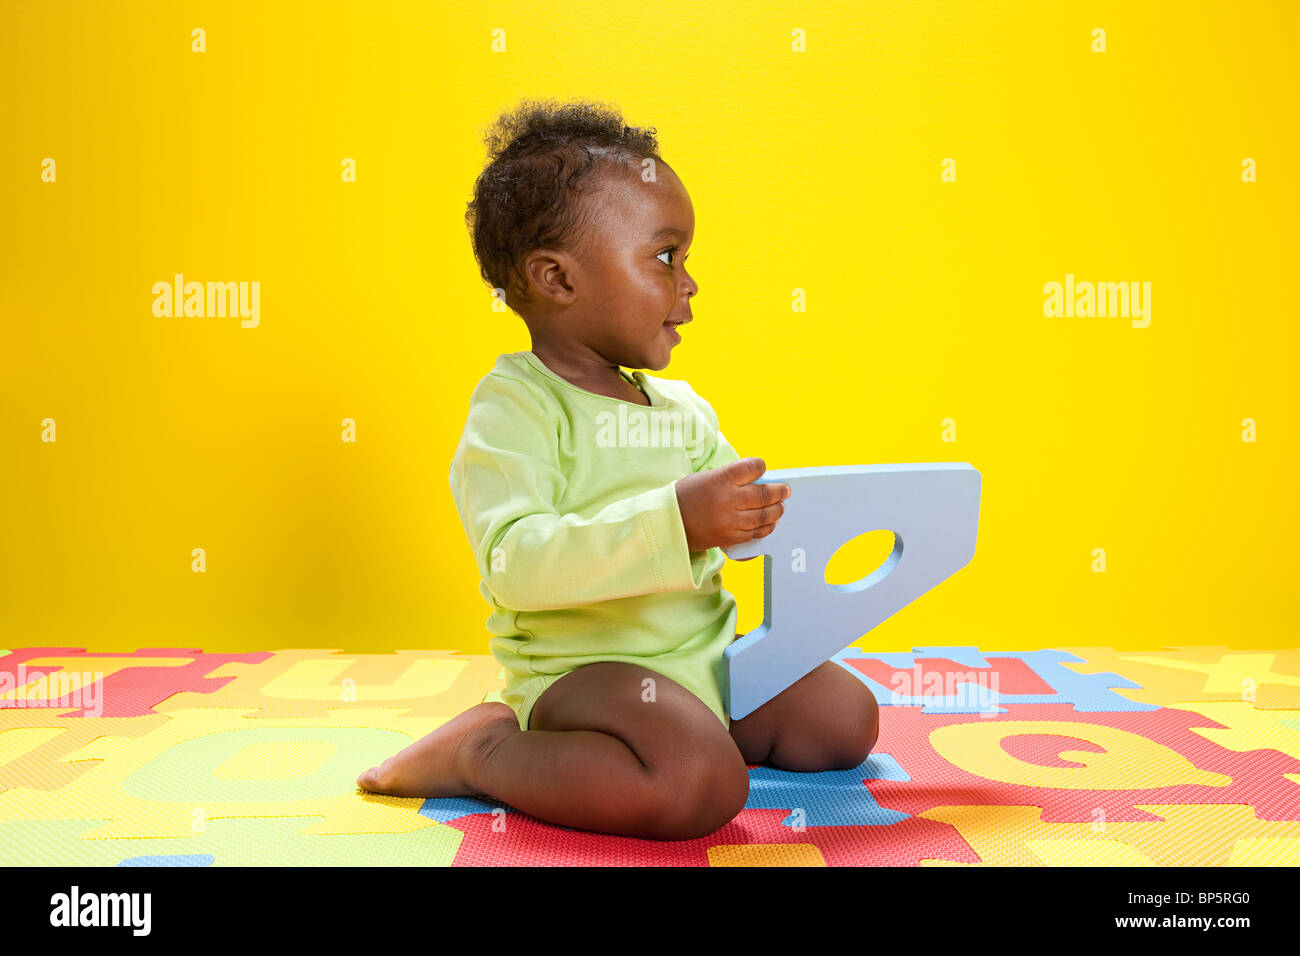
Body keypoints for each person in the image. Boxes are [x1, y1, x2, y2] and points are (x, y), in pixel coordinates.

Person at [357, 99, 878, 840]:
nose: (690, 282)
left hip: (704, 660)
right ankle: (488, 749)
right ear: (559, 280)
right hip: (588, 676)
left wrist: (777, 519)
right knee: (695, 784)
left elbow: (741, 519)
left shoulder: (682, 408)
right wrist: (678, 521)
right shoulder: (517, 409)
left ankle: (684, 732)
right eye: (667, 257)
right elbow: (516, 562)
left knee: (843, 722)